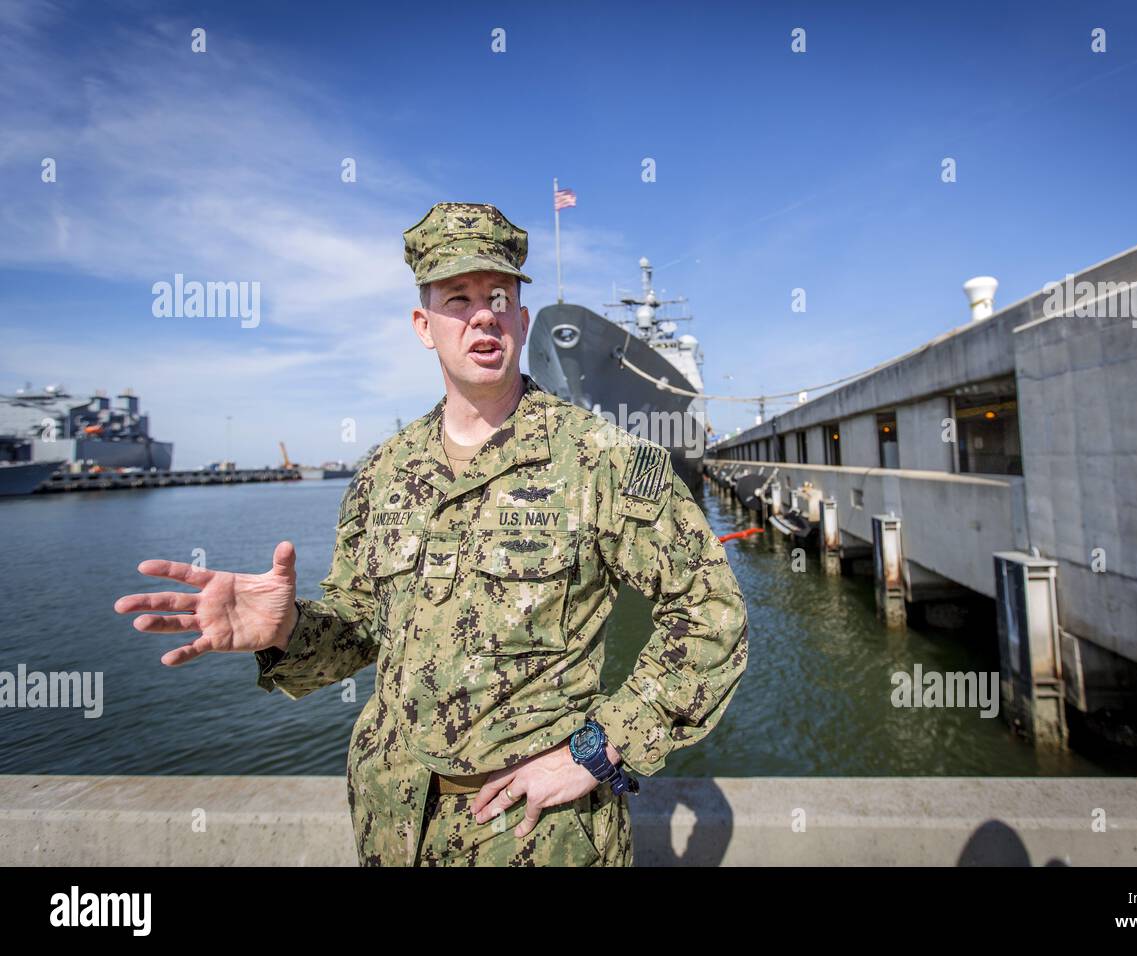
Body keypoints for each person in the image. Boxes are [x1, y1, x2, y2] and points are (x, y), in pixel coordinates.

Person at [114, 201, 749, 866]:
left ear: (522, 320)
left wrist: (598, 750)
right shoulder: (383, 473)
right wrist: (287, 630)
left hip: (542, 838)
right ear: (424, 325)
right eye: (458, 297)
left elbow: (712, 614)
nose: (483, 314)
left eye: (500, 296)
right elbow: (361, 628)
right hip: (393, 825)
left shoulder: (606, 457)